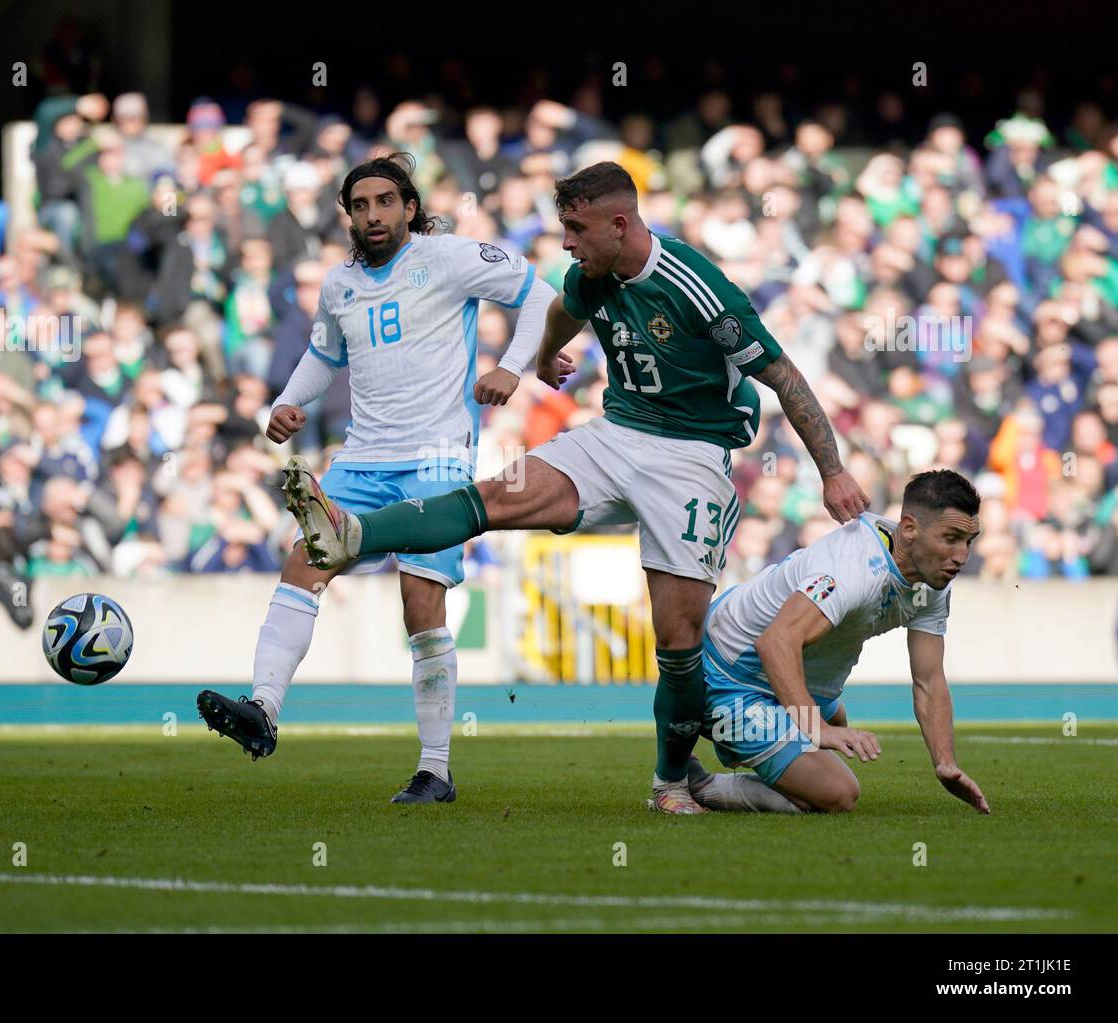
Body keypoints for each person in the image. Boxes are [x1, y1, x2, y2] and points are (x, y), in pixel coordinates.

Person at [283, 161, 869, 814]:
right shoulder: (592, 273)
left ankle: (672, 781)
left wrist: (833, 471)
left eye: (576, 228)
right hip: (616, 432)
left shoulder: (697, 286)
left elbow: (785, 377)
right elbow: (564, 308)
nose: (566, 242)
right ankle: (355, 532)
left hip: (692, 457)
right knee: (498, 493)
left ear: (618, 224)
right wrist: (542, 356)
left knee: (678, 638)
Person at [197, 153, 557, 803]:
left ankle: (435, 769)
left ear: (410, 208)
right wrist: (288, 400)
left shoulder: (448, 257)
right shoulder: (339, 284)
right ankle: (263, 709)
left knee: (420, 599)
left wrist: (512, 365)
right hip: (362, 457)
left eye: (386, 202)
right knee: (303, 561)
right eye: (360, 205)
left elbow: (538, 294)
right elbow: (323, 353)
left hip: (437, 457)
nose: (373, 215)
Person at [694, 469, 989, 815]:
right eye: (951, 538)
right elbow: (775, 642)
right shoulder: (854, 568)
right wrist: (815, 728)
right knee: (839, 793)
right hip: (728, 672)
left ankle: (766, 753)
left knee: (837, 725)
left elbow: (929, 680)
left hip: (788, 674)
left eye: (969, 541)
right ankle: (700, 783)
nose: (962, 556)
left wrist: (945, 762)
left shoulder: (932, 583)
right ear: (909, 528)